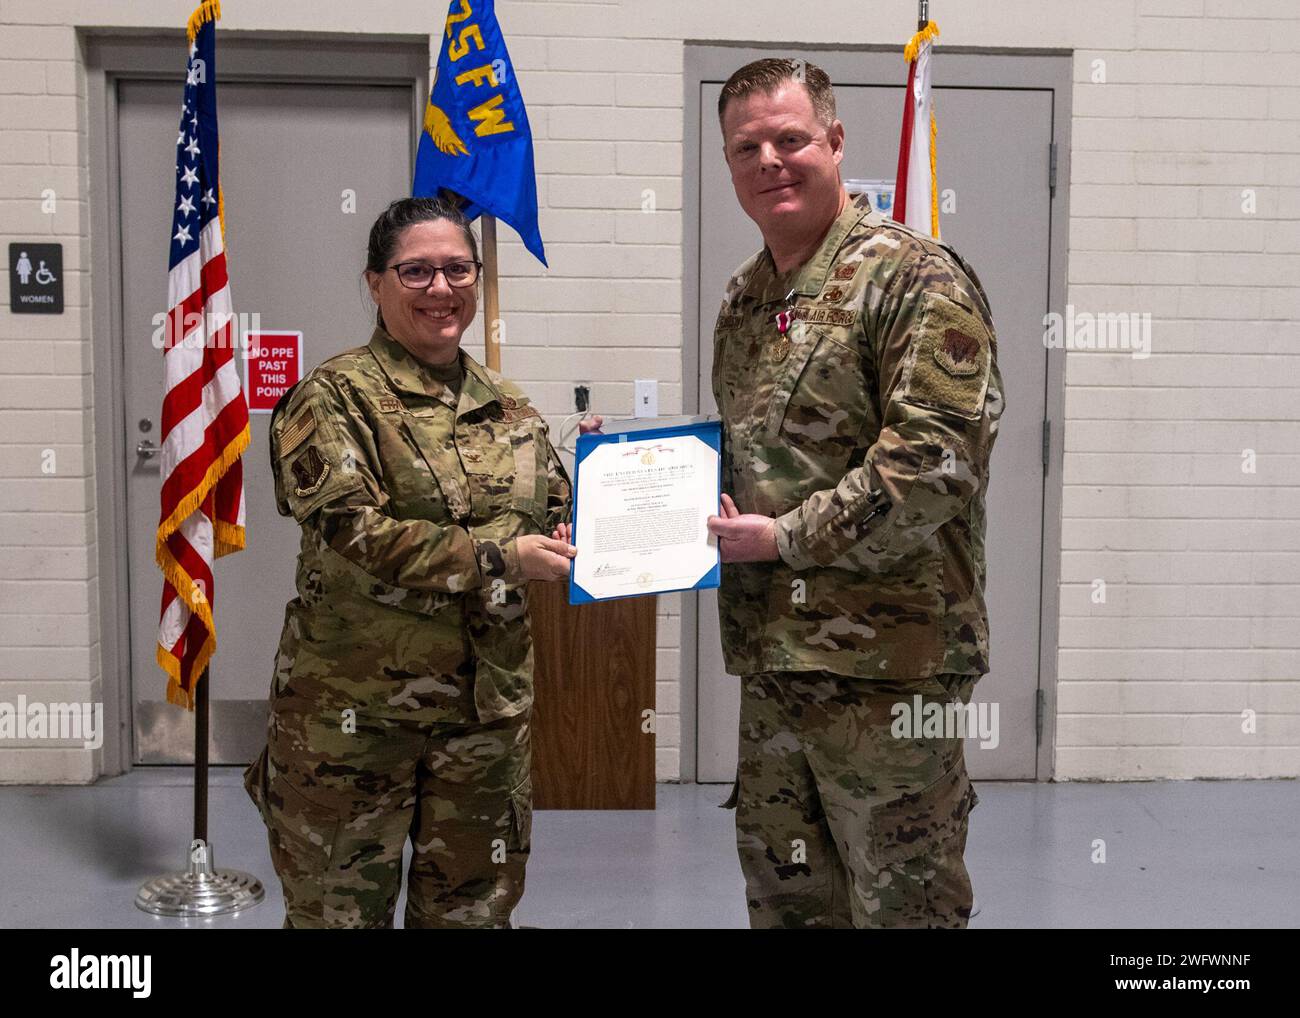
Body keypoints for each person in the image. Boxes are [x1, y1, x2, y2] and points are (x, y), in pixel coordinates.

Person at [705, 58, 1005, 929]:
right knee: (790, 904)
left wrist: (783, 540)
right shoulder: (747, 298)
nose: (771, 161)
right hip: (776, 665)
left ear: (835, 142)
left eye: (791, 139)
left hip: (889, 671)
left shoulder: (913, 279)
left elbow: (932, 464)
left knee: (904, 904)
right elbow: (753, 462)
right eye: (747, 147)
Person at [242, 196, 577, 928]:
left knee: (472, 916)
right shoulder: (330, 399)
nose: (441, 289)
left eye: (457, 269)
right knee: (338, 916)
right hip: (354, 724)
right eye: (416, 271)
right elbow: (357, 532)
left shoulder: (511, 408)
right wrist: (502, 556)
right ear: (375, 282)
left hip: (484, 725)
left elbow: (556, 514)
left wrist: (621, 488)